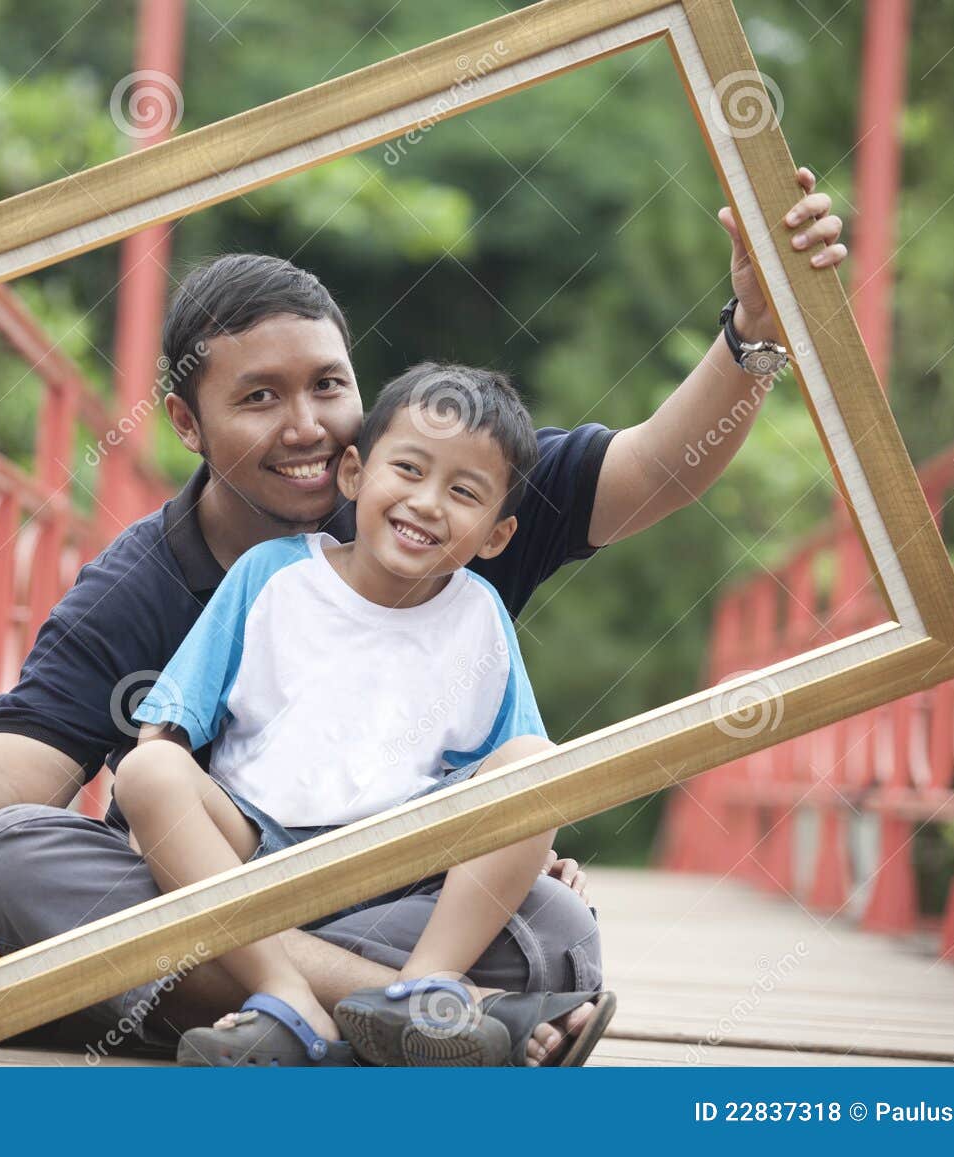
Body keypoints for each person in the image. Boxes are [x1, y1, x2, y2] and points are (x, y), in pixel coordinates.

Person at [0, 168, 847, 1055]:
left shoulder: (426, 502)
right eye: (257, 398)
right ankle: (434, 1025)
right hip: (227, 879)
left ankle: (316, 1011)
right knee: (11, 865)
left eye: (327, 385)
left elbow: (656, 469)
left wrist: (753, 334)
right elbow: (2, 793)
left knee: (553, 921)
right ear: (182, 423)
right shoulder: (143, 584)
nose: (305, 427)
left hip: (397, 896)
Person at [117, 363, 615, 1066]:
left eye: (463, 491)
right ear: (353, 473)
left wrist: (542, 845)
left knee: (544, 774)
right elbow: (168, 723)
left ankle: (418, 995)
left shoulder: (480, 617)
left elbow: (516, 771)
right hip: (255, 847)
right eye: (407, 469)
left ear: (497, 534)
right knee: (148, 772)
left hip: (400, 860)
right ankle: (286, 993)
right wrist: (159, 828)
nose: (427, 502)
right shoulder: (272, 576)